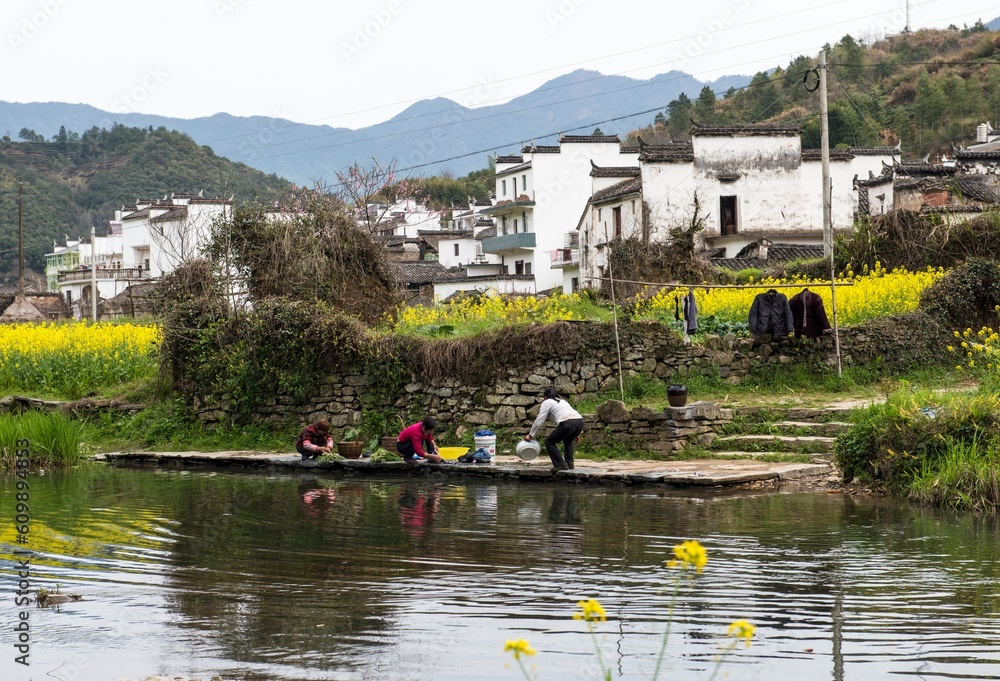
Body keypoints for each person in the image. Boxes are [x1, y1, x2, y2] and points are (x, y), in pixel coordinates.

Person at [525, 386, 585, 472]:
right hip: (580, 422)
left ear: (545, 397)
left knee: (549, 442)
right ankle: (569, 463)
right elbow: (572, 416)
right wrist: (577, 433)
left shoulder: (547, 402)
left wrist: (531, 434)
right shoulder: (563, 402)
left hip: (568, 423)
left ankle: (560, 464)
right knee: (568, 440)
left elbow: (540, 420)